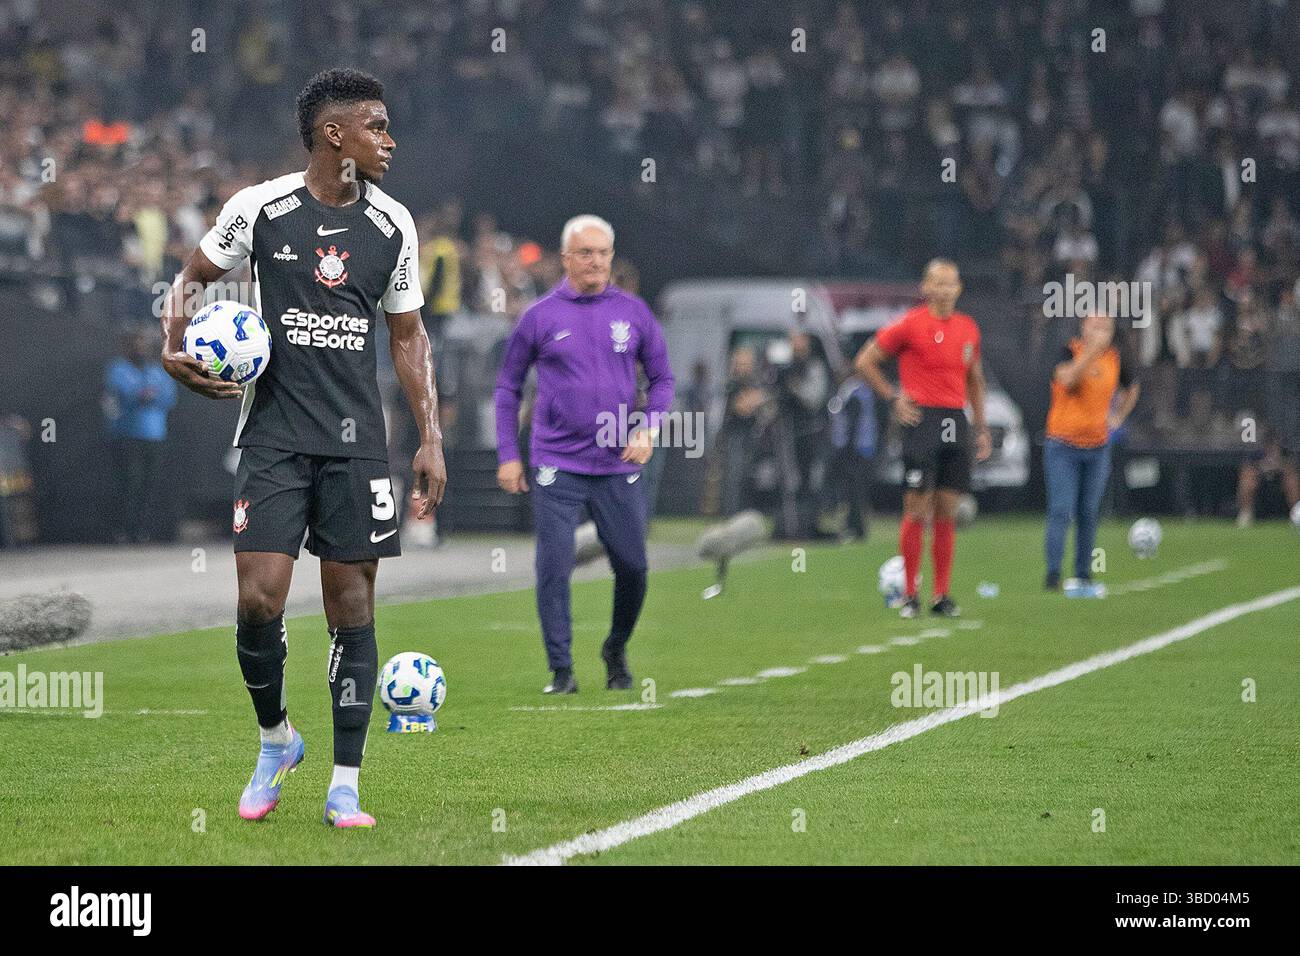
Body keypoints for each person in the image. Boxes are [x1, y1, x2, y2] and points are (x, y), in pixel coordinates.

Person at [159, 69, 446, 829]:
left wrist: (431, 439)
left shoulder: (394, 226)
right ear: (334, 134)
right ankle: (276, 738)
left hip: (356, 445)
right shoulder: (260, 209)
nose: (390, 141)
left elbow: (409, 336)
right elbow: (190, 281)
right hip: (275, 435)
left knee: (350, 607)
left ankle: (345, 784)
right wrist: (172, 346)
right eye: (377, 127)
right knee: (258, 600)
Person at [494, 214, 674, 694]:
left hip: (619, 464)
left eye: (603, 253)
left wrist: (649, 427)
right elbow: (508, 387)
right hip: (556, 462)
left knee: (633, 566)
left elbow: (663, 380)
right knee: (553, 566)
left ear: (611, 257)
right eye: (586, 253)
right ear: (567, 258)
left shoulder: (634, 312)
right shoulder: (539, 316)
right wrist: (509, 453)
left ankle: (615, 647)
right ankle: (562, 670)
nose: (596, 261)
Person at [855, 259, 992, 618]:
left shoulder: (968, 328)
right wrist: (893, 398)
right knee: (916, 507)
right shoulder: (910, 324)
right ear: (926, 288)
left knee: (947, 509)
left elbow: (975, 379)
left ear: (959, 288)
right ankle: (910, 594)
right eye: (938, 283)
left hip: (954, 419)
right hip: (922, 420)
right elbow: (865, 361)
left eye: (951, 283)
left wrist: (980, 427)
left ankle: (941, 595)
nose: (945, 290)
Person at [1043, 313, 1140, 592]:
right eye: (1095, 326)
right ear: (1083, 328)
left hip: (1097, 447)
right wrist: (1090, 354)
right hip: (1063, 444)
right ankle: (1052, 574)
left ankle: (1084, 573)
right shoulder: (1067, 351)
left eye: (1106, 328)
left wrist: (1118, 416)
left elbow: (1132, 386)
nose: (1100, 332)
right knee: (1061, 509)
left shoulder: (1115, 358)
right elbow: (1068, 379)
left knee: (1089, 511)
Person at [104, 327, 177, 543]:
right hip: (127, 435)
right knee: (130, 483)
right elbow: (126, 394)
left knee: (150, 484)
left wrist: (146, 395)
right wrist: (143, 395)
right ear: (126, 346)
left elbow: (168, 397)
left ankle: (143, 530)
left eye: (143, 344)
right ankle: (123, 530)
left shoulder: (158, 371)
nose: (141, 348)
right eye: (136, 343)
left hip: (155, 435)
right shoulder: (117, 369)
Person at [828, 369, 876, 541]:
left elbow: (851, 421)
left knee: (853, 490)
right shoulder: (865, 390)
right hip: (866, 446)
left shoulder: (852, 390)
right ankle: (857, 526)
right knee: (858, 489)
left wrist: (846, 447)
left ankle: (855, 527)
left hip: (854, 448)